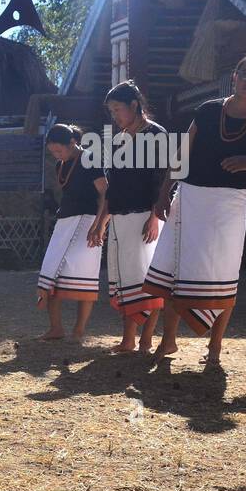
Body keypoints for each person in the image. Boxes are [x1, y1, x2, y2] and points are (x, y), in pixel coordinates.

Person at [143, 52, 246, 367]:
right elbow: (182, 153)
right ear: (234, 76)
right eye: (245, 73)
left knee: (223, 272)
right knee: (174, 268)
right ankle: (168, 340)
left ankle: (216, 346)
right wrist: (164, 191)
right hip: (190, 197)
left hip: (228, 206)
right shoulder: (207, 111)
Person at [88, 81, 166, 353]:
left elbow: (163, 180)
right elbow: (113, 188)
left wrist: (156, 217)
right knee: (124, 279)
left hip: (146, 215)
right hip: (120, 218)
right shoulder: (118, 140)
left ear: (134, 105)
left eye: (118, 109)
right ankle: (128, 339)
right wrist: (101, 223)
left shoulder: (156, 135)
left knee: (147, 278)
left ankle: (146, 339)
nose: (115, 115)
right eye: (111, 111)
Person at [38, 124, 107, 341]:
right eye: (53, 152)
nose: (57, 155)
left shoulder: (90, 159)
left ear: (72, 143)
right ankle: (56, 327)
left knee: (84, 275)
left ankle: (79, 330)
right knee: (51, 274)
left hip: (87, 221)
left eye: (60, 150)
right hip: (64, 222)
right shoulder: (61, 165)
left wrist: (99, 224)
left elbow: (106, 192)